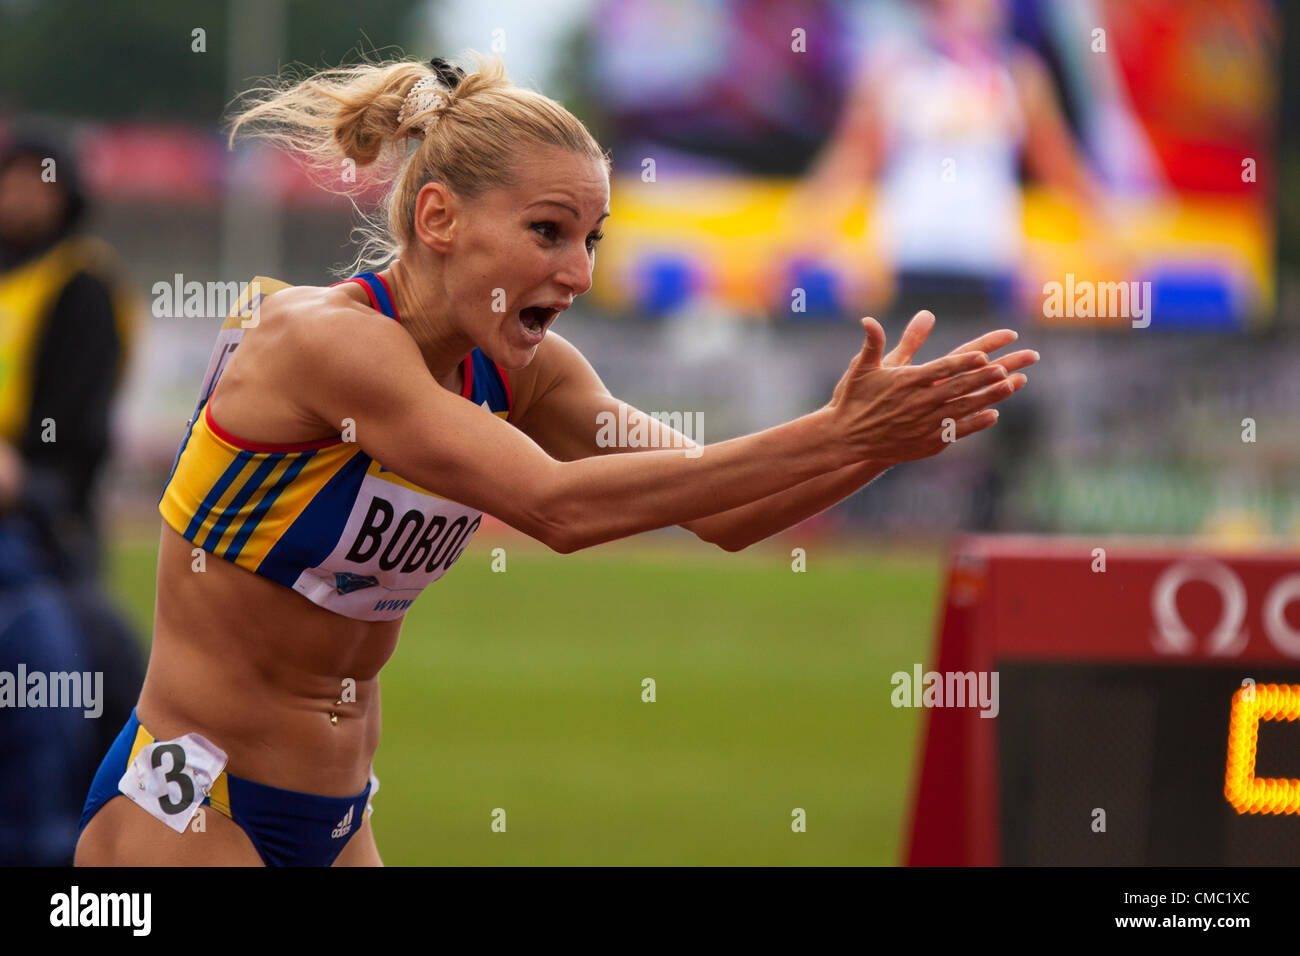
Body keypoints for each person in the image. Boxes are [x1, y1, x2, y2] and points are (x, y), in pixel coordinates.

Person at [75, 54, 1036, 866]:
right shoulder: (330, 344)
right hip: (192, 803)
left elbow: (724, 513)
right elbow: (557, 509)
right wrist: (834, 433)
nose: (578, 272)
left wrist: (876, 443)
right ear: (439, 218)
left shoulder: (521, 370)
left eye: (591, 239)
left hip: (340, 817)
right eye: (547, 231)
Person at [0, 133, 143, 864]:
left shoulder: (83, 284)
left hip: (47, 529)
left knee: (60, 690)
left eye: (39, 183)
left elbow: (79, 429)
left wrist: (29, 481)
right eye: (12, 180)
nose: (21, 196)